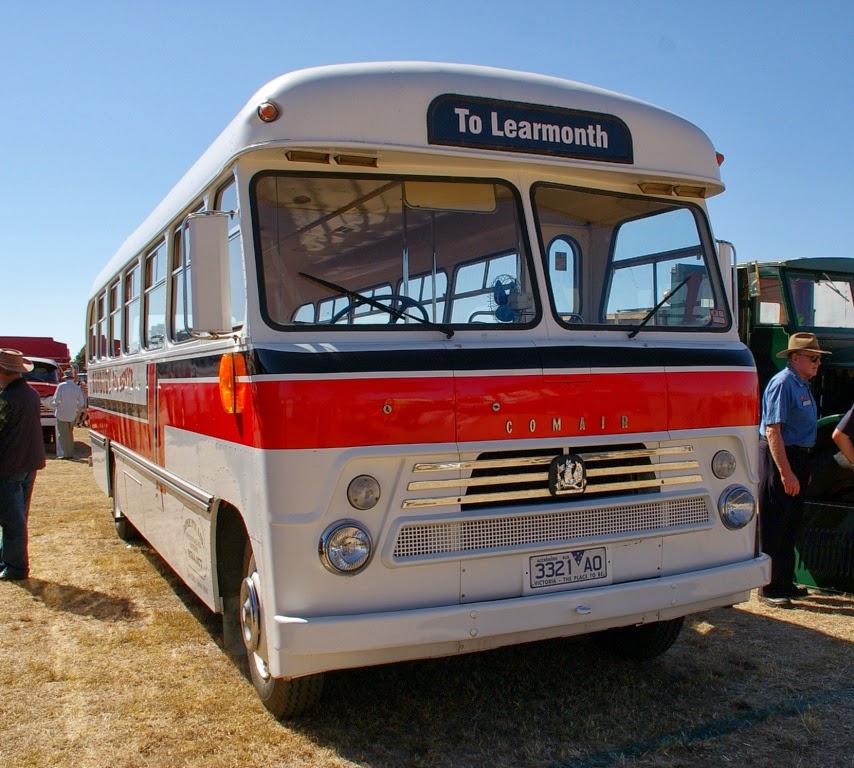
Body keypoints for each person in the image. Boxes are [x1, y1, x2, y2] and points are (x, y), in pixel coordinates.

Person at [757, 332, 830, 607]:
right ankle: (768, 588)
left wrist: (803, 467)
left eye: (819, 359)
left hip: (797, 457)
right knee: (775, 523)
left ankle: (784, 582)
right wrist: (786, 472)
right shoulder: (783, 383)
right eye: (813, 358)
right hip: (781, 458)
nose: (817, 363)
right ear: (795, 357)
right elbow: (773, 431)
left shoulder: (802, 384)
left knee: (790, 523)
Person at [0, 348, 47, 581]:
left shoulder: (6, 399)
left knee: (12, 521)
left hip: (9, 464)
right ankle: (7, 559)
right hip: (28, 462)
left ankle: (16, 568)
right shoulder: (31, 394)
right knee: (18, 516)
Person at [50, 370, 86, 459]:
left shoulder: (61, 386)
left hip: (61, 413)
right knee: (70, 434)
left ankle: (65, 454)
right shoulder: (76, 387)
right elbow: (81, 402)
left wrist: (54, 404)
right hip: (72, 414)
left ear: (65, 378)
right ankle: (70, 453)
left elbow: (56, 400)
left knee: (62, 435)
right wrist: (74, 405)